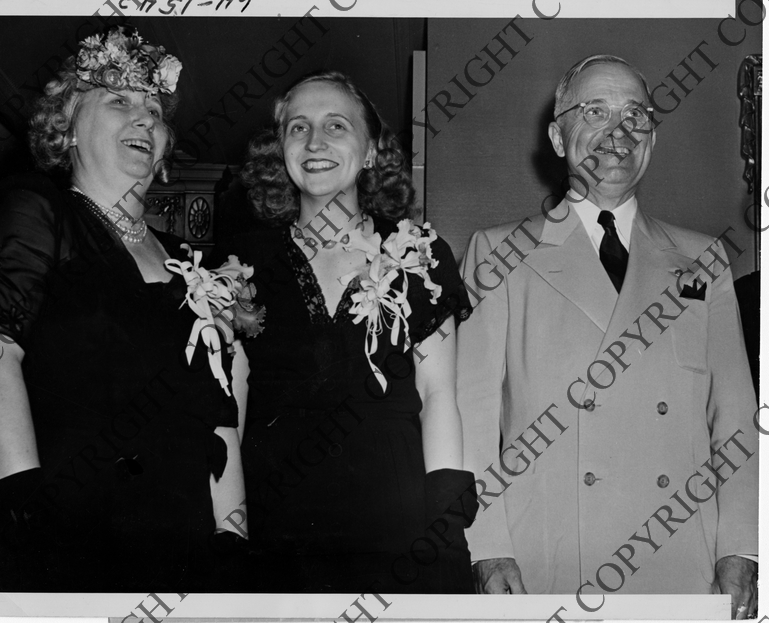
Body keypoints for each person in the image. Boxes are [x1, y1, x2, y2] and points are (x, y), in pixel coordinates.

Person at [457, 55, 758, 615]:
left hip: (681, 560)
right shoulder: (497, 253)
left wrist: (741, 545)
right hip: (547, 558)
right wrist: (488, 547)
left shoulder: (704, 259)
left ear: (651, 139)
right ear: (557, 136)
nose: (618, 133)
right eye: (594, 111)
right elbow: (470, 421)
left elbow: (737, 419)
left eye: (635, 115)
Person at [0, 25, 247, 592]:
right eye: (118, 101)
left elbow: (219, 414)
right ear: (67, 130)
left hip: (183, 541)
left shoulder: (189, 262)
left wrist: (232, 536)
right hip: (71, 535)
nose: (144, 119)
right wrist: (26, 501)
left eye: (154, 110)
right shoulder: (40, 213)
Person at [233, 70, 478, 593]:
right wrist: (230, 533)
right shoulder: (243, 263)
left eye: (336, 125)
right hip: (278, 528)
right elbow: (228, 409)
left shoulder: (421, 256)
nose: (314, 142)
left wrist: (446, 530)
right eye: (298, 127)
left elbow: (439, 396)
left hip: (396, 526)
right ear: (280, 149)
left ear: (370, 153)